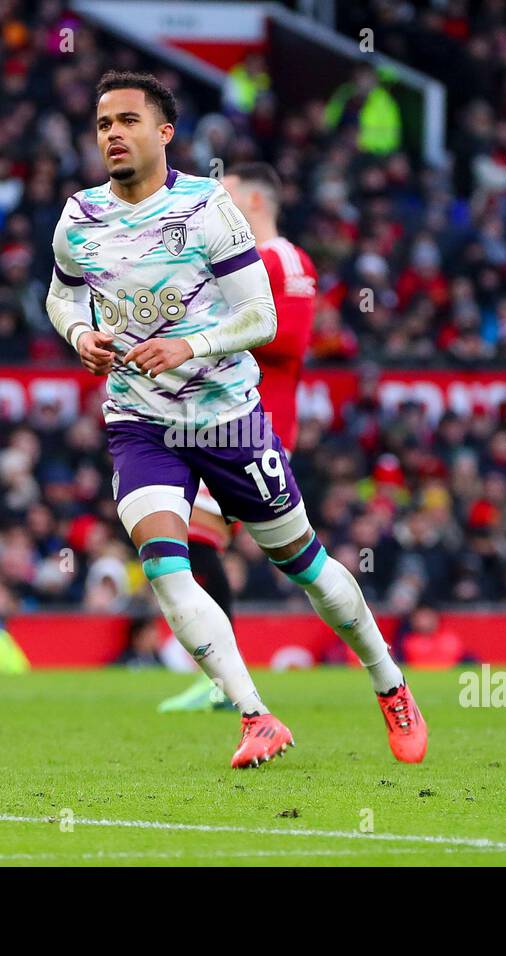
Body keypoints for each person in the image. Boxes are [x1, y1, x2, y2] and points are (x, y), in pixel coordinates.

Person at [46, 71, 425, 767]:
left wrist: (189, 344)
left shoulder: (207, 207)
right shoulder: (80, 218)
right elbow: (60, 297)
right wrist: (79, 337)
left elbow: (262, 316)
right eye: (103, 125)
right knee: (167, 567)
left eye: (128, 121)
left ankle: (389, 681)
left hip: (228, 417)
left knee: (304, 564)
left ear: (164, 133)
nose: (113, 135)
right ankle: (255, 715)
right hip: (139, 420)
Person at [157, 161, 317, 714]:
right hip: (213, 418)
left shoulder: (282, 258)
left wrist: (203, 335)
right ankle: (223, 680)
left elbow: (286, 338)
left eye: (224, 200)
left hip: (257, 422)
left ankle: (225, 680)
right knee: (192, 539)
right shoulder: (237, 263)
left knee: (252, 549)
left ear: (252, 202)